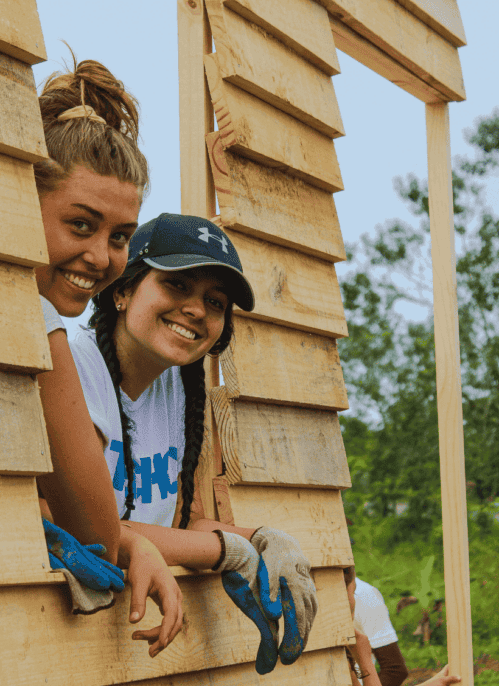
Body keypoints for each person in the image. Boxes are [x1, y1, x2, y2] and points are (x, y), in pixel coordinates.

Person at [68, 213, 318, 673]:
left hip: (135, 655)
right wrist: (224, 551)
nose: (198, 310)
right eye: (178, 286)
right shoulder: (75, 365)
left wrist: (264, 541)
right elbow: (79, 526)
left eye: (215, 302)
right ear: (122, 290)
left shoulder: (183, 390)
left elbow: (188, 524)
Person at [32, 53, 182, 654]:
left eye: (120, 237)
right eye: (80, 225)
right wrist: (131, 541)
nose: (101, 257)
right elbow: (96, 530)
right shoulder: (41, 322)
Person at [344, 567, 460, 686]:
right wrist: (365, 662)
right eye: (353, 592)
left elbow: (394, 670)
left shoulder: (364, 595)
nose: (353, 599)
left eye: (354, 592)